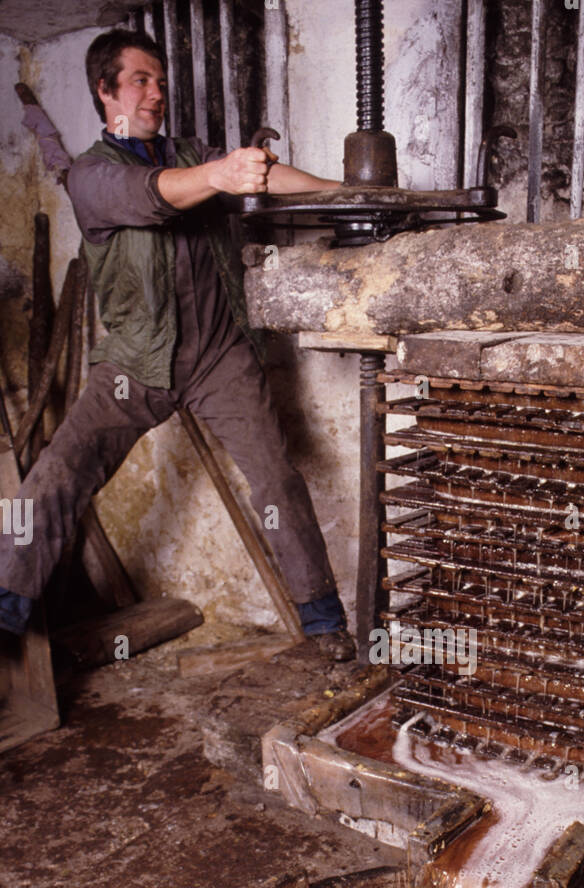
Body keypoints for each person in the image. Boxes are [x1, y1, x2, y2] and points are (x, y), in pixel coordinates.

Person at [0, 28, 356, 661]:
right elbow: (155, 196)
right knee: (56, 475)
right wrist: (222, 172)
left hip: (221, 357)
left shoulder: (191, 152)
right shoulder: (90, 176)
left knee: (277, 481)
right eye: (141, 80)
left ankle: (325, 625)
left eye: (161, 82)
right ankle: (4, 609)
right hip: (135, 365)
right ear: (104, 91)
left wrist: (347, 193)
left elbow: (265, 179)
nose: (156, 93)